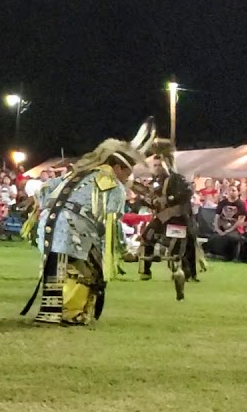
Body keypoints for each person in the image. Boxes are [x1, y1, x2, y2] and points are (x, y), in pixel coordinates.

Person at [21, 120, 152, 325]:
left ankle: (51, 310)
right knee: (90, 271)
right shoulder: (113, 186)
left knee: (60, 265)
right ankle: (70, 313)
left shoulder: (78, 173)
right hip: (74, 228)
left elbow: (46, 192)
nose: (128, 176)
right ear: (116, 166)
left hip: (48, 224)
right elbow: (112, 225)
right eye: (127, 171)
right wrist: (123, 250)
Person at [135, 137, 198, 298]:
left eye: (158, 165)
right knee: (147, 236)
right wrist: (148, 200)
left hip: (178, 219)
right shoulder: (157, 181)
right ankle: (146, 270)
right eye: (154, 165)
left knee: (179, 250)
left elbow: (187, 193)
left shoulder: (176, 179)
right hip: (163, 219)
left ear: (165, 164)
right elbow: (156, 203)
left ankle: (185, 273)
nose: (156, 168)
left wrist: (169, 200)